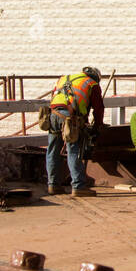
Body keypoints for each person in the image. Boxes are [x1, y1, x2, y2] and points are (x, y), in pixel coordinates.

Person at [46, 66, 105, 197]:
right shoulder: (92, 84)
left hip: (53, 115)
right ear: (96, 77)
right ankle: (78, 187)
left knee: (53, 150)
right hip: (69, 118)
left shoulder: (64, 79)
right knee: (73, 150)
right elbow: (98, 108)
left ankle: (53, 185)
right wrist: (98, 126)